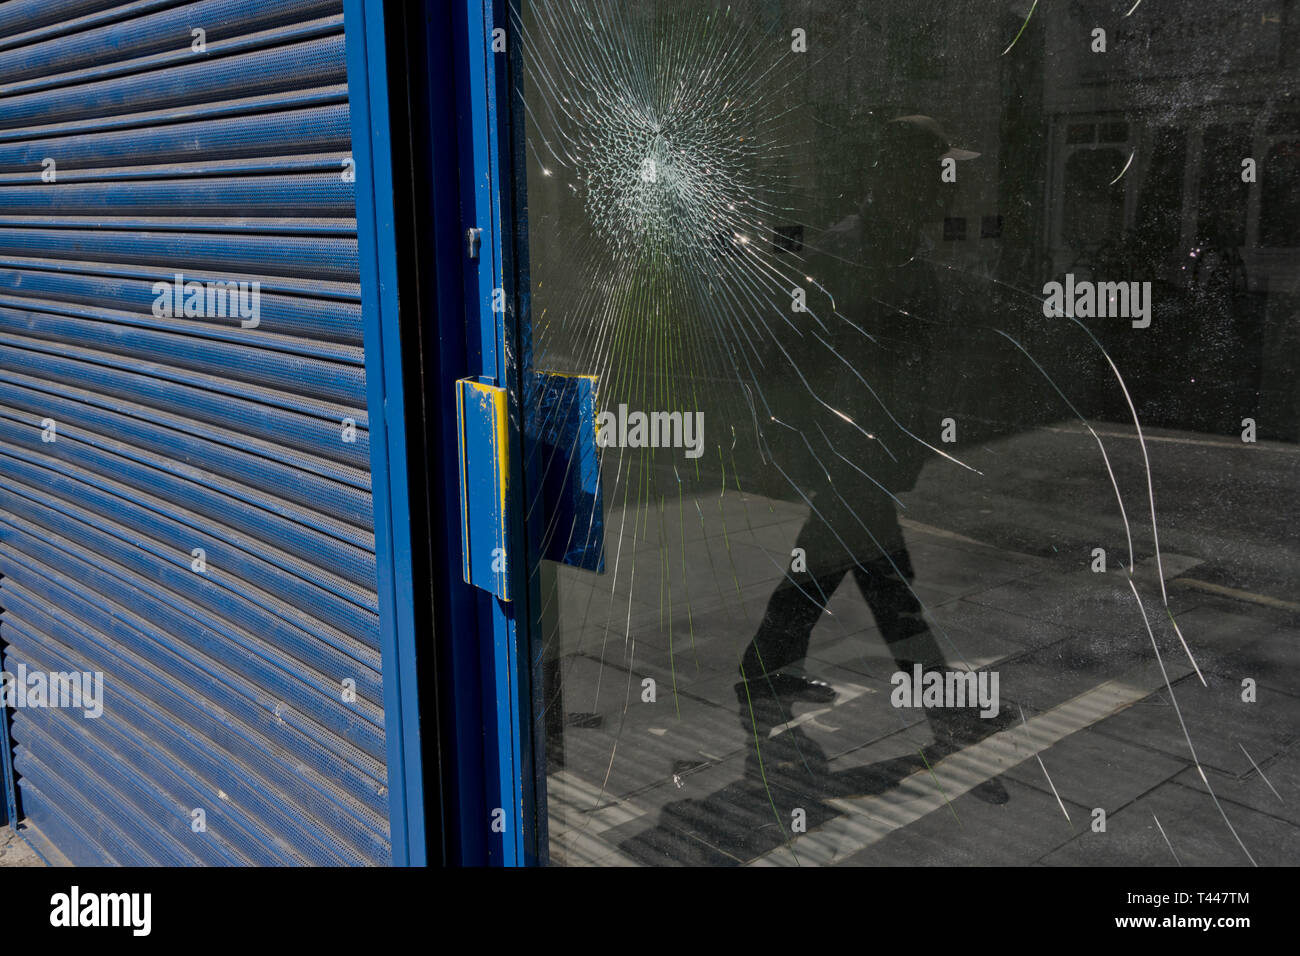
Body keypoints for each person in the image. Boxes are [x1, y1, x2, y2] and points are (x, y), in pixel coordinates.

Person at [737, 115, 1009, 769]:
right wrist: (823, 443)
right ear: (905, 180)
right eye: (939, 174)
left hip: (864, 450)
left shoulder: (893, 246)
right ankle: (949, 710)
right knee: (887, 580)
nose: (949, 189)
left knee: (823, 570)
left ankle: (763, 671)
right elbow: (806, 353)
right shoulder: (856, 250)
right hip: (848, 452)